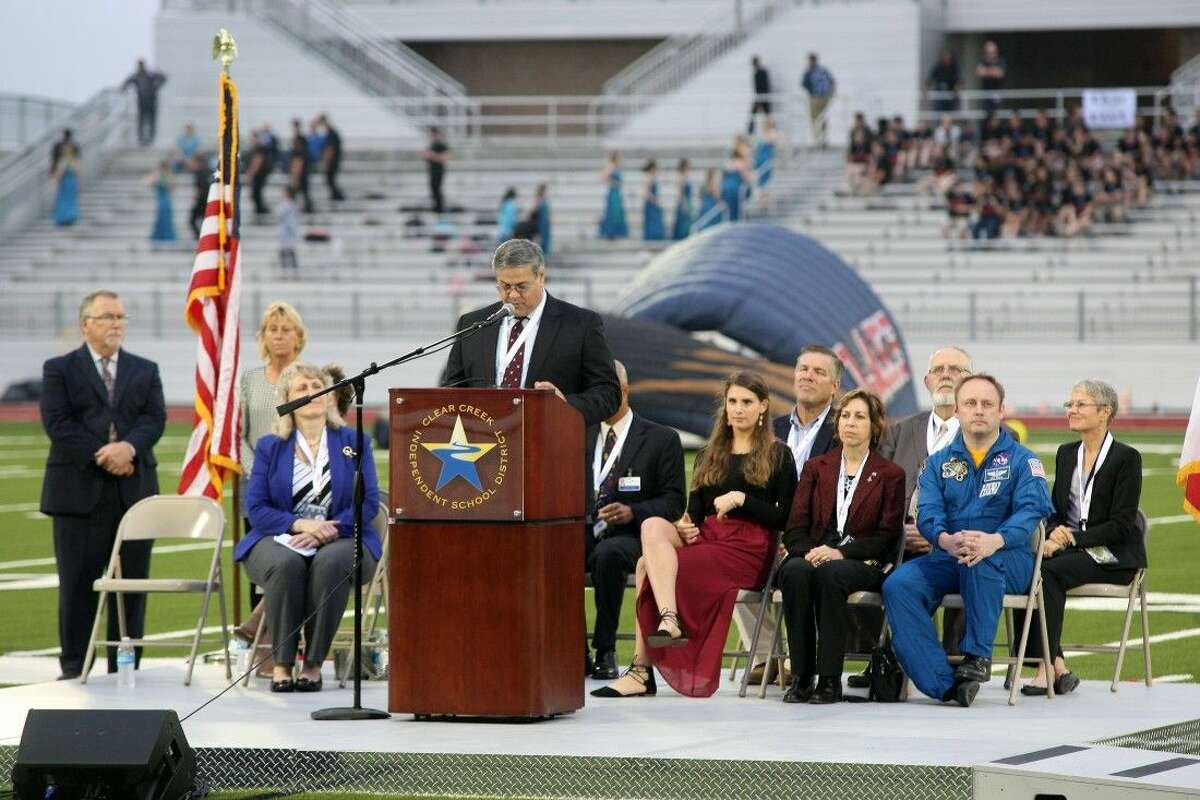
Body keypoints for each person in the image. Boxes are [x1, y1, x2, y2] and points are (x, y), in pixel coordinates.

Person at [592, 371, 797, 698]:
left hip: (749, 548)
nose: (738, 409)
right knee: (651, 529)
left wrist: (743, 499)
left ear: (763, 408)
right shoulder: (709, 454)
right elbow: (695, 515)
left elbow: (785, 516)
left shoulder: (778, 454)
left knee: (647, 566)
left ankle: (641, 671)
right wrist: (686, 525)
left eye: (747, 402)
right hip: (709, 538)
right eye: (732, 401)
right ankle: (668, 623)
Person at [882, 374, 1053, 707]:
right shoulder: (937, 463)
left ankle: (976, 658)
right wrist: (943, 539)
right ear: (957, 410)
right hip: (950, 553)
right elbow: (928, 511)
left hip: (1010, 557)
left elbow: (1032, 511)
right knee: (898, 584)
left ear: (1001, 410)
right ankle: (944, 683)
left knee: (980, 558)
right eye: (971, 404)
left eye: (987, 404)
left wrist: (995, 540)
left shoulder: (1023, 460)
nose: (979, 411)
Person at [39, 290, 165, 679]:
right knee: (78, 582)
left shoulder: (145, 369)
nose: (116, 324)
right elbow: (58, 423)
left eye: (121, 317)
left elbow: (153, 418)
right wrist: (104, 454)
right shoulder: (59, 369)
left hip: (134, 490)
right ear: (85, 324)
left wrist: (128, 448)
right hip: (78, 491)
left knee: (131, 585)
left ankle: (126, 666)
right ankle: (75, 664)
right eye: (108, 316)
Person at [239, 362, 381, 693]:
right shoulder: (269, 446)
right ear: (287, 398)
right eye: (302, 388)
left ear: (331, 398)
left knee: (330, 562)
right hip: (278, 538)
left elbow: (369, 501)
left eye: (318, 386)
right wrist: (299, 524)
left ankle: (314, 663)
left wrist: (331, 528)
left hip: (342, 536)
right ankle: (282, 663)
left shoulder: (355, 441)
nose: (312, 392)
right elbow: (256, 508)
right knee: (285, 564)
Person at [777, 389, 904, 703]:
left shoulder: (890, 474)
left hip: (863, 560)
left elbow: (886, 536)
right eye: (845, 416)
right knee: (794, 571)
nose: (850, 423)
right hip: (814, 552)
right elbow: (795, 526)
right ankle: (802, 676)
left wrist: (841, 552)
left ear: (874, 426)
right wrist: (810, 552)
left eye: (859, 417)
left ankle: (830, 679)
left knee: (831, 574)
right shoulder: (817, 467)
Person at [1020, 380, 1144, 696]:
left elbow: (1122, 525)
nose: (1072, 410)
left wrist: (1071, 538)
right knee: (1023, 567)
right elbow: (1056, 511)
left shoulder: (1126, 458)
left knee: (1045, 572)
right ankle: (1057, 664)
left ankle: (1044, 667)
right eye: (1070, 404)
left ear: (1105, 412)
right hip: (1073, 550)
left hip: (1115, 555)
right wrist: (1053, 533)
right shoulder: (1066, 454)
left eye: (1080, 405)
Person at [441, 238, 620, 426]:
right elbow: (450, 391)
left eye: (521, 286)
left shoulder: (581, 324)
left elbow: (608, 392)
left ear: (541, 277)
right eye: (505, 286)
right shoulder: (473, 324)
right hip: (485, 446)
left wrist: (565, 404)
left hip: (550, 444)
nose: (513, 295)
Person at [743, 345, 838, 684]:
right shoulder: (770, 429)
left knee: (803, 573)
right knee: (732, 561)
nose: (807, 376)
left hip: (817, 536)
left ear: (835, 386)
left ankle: (805, 662)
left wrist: (797, 539)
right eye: (803, 369)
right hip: (771, 529)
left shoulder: (846, 430)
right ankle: (767, 658)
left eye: (818, 371)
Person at [585, 361, 686, 680]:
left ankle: (605, 649)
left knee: (609, 555)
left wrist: (633, 512)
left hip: (631, 534)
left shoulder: (661, 438)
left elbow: (673, 502)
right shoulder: (578, 435)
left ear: (625, 389)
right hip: (582, 526)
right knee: (551, 549)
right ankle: (572, 649)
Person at [233, 302, 309, 662]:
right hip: (257, 486)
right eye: (271, 329)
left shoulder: (309, 378)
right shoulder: (249, 380)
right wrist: (257, 471)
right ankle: (265, 648)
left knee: (297, 559)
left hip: (300, 487)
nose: (278, 335)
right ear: (262, 337)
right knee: (265, 563)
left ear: (298, 336)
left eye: (285, 329)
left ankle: (285, 644)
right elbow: (239, 435)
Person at [122, 59, 167, 146]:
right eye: (139, 65)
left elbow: (163, 78)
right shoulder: (136, 76)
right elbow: (127, 82)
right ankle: (141, 140)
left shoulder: (151, 75)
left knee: (152, 121)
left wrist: (157, 86)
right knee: (141, 121)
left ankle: (151, 139)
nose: (140, 67)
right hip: (141, 103)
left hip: (152, 102)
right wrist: (123, 88)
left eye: (141, 65)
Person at [802, 53, 836, 148]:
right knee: (816, 119)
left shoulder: (818, 71)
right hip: (816, 98)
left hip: (820, 98)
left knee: (820, 118)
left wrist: (829, 94)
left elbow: (831, 82)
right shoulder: (813, 71)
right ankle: (819, 139)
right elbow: (804, 84)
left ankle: (822, 139)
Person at [599, 151, 629, 239]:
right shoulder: (611, 166)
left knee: (617, 212)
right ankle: (610, 232)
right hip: (613, 193)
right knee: (613, 212)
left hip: (617, 192)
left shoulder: (616, 167)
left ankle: (616, 232)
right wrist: (614, 183)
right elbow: (602, 178)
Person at [51, 140, 80, 227]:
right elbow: (77, 172)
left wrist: (55, 180)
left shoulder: (64, 160)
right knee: (70, 200)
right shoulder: (74, 160)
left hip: (66, 182)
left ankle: (64, 218)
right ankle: (70, 216)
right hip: (72, 182)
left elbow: (60, 173)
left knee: (64, 200)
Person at [147, 159, 176, 245]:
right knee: (160, 217)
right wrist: (156, 178)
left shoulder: (169, 176)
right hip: (160, 199)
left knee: (167, 217)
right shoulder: (156, 175)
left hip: (166, 198)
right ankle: (158, 236)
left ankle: (167, 236)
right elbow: (149, 183)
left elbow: (172, 188)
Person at [246, 128, 273, 217]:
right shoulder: (257, 148)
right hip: (259, 174)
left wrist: (251, 174)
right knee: (256, 193)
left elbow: (257, 162)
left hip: (259, 174)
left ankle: (260, 209)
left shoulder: (258, 148)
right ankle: (259, 208)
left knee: (256, 192)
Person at [288, 118, 313, 214]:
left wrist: (295, 175)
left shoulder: (298, 140)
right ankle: (307, 208)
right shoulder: (301, 139)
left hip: (301, 172)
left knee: (297, 191)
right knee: (304, 191)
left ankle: (304, 208)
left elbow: (298, 160)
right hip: (304, 171)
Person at [318, 114, 344, 202]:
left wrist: (326, 163)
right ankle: (335, 196)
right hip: (334, 160)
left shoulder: (331, 133)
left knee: (330, 179)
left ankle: (337, 196)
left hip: (332, 161)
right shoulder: (331, 132)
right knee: (330, 180)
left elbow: (330, 150)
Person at [975, 41, 1006, 117]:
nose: (990, 55)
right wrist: (993, 71)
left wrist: (986, 71)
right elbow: (979, 72)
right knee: (984, 116)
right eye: (988, 53)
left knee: (997, 116)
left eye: (992, 53)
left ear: (996, 52)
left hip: (997, 92)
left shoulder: (1001, 61)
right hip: (985, 93)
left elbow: (1000, 74)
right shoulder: (982, 60)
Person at [423, 127, 449, 214]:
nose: (432, 136)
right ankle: (436, 208)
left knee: (437, 190)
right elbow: (426, 157)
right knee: (433, 189)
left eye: (434, 134)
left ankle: (440, 209)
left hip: (439, 171)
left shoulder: (441, 145)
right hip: (432, 171)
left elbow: (445, 158)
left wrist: (432, 155)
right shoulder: (431, 145)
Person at [642, 160, 665, 241]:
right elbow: (646, 193)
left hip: (653, 202)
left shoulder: (652, 177)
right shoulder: (648, 177)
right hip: (651, 203)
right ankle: (652, 238)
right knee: (652, 221)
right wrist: (655, 200)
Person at [749, 55, 772, 134]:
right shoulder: (757, 73)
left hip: (763, 97)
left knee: (767, 116)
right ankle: (750, 132)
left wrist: (760, 101)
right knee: (753, 116)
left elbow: (765, 86)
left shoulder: (762, 72)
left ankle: (771, 131)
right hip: (759, 97)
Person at [278, 187, 299, 275]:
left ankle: (294, 272)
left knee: (290, 252)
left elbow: (292, 219)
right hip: (284, 231)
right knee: (284, 252)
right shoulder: (284, 205)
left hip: (289, 231)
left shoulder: (291, 205)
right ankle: (285, 272)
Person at [672, 159, 694, 240]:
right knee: (683, 223)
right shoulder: (680, 177)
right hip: (684, 202)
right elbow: (680, 193)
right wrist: (684, 204)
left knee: (688, 222)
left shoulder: (687, 177)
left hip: (688, 201)